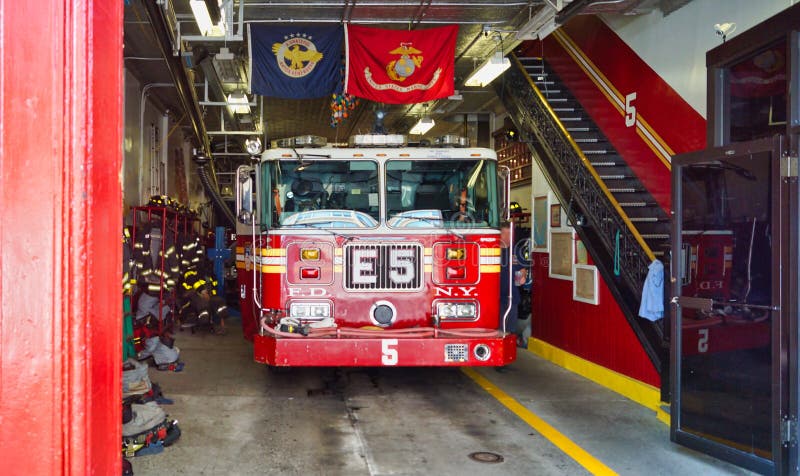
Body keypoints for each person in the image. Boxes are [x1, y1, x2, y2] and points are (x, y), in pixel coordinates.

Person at [499, 221, 527, 348]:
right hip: (495, 297)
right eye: (504, 233)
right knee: (498, 328)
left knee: (510, 329)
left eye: (510, 234)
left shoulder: (516, 251)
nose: (507, 237)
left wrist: (522, 277)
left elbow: (522, 269)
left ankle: (506, 354)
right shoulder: (492, 250)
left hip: (511, 297)